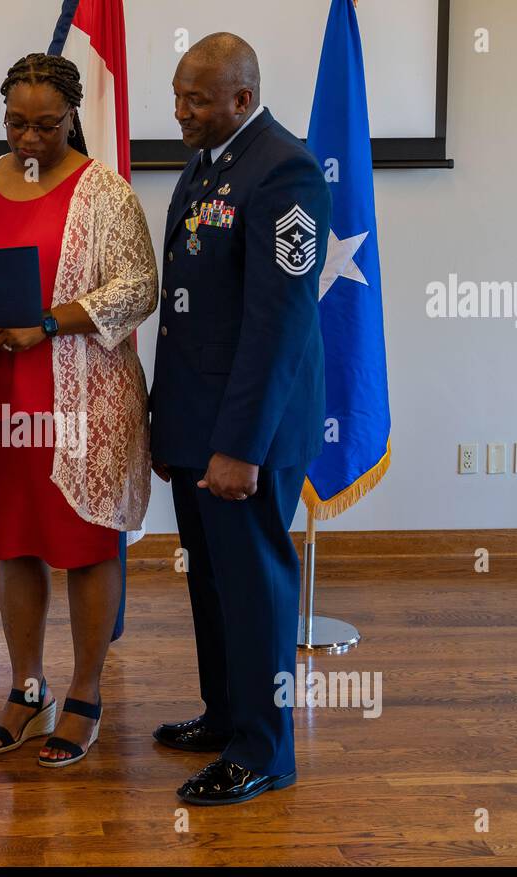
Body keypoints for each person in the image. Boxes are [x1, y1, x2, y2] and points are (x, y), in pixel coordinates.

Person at [0, 53, 157, 768]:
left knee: (85, 544)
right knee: (16, 543)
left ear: (72, 118)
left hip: (84, 400)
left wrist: (49, 323)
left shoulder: (106, 194)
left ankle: (86, 694)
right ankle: (28, 692)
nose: (29, 138)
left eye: (46, 124)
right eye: (16, 124)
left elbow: (139, 288)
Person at [149, 33, 332, 805]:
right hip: (200, 424)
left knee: (255, 587)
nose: (180, 112)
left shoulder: (284, 170)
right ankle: (226, 716)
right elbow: (190, 317)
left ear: (242, 99)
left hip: (248, 433)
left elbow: (276, 326)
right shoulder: (209, 162)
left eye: (196, 100)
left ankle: (264, 750)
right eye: (177, 96)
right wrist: (172, 427)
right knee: (212, 578)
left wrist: (239, 447)